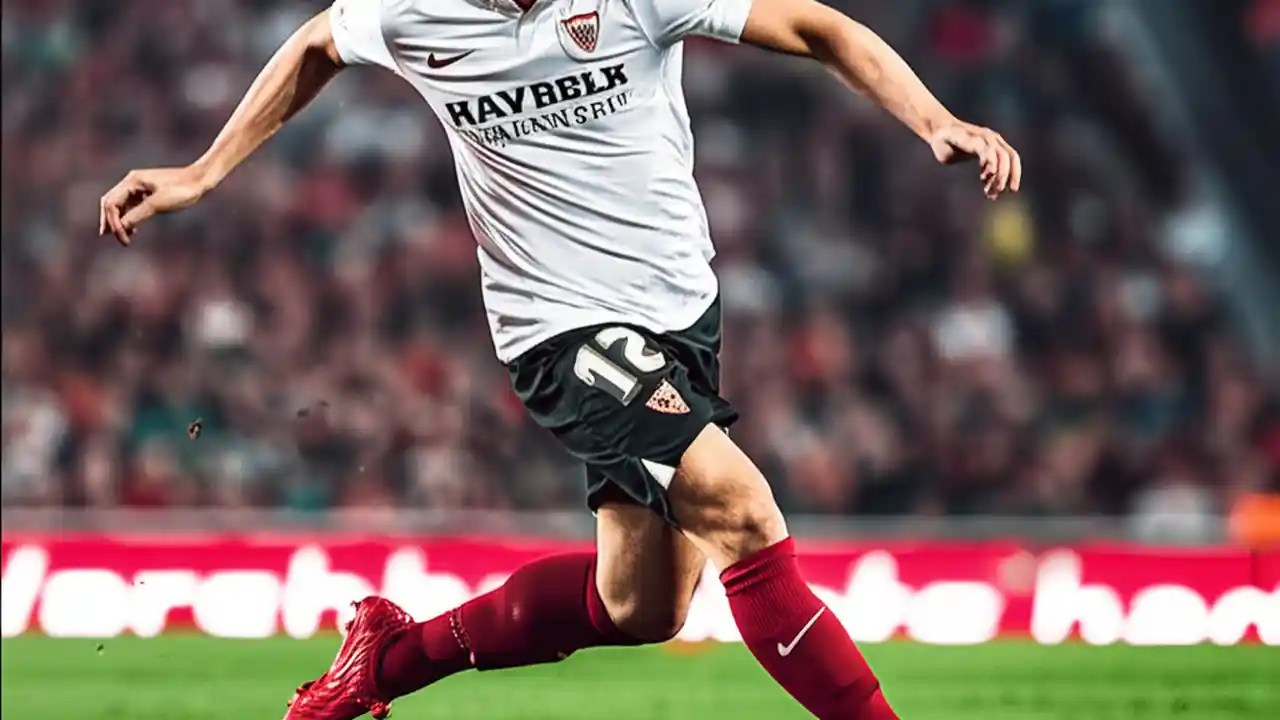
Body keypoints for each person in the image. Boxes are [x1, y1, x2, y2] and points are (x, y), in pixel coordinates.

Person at [98, 0, 1021, 717]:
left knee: (641, 608)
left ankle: (390, 656)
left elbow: (816, 24)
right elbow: (317, 44)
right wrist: (201, 172)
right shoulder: (416, 13)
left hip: (679, 318)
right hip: (560, 330)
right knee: (743, 512)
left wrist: (932, 119)